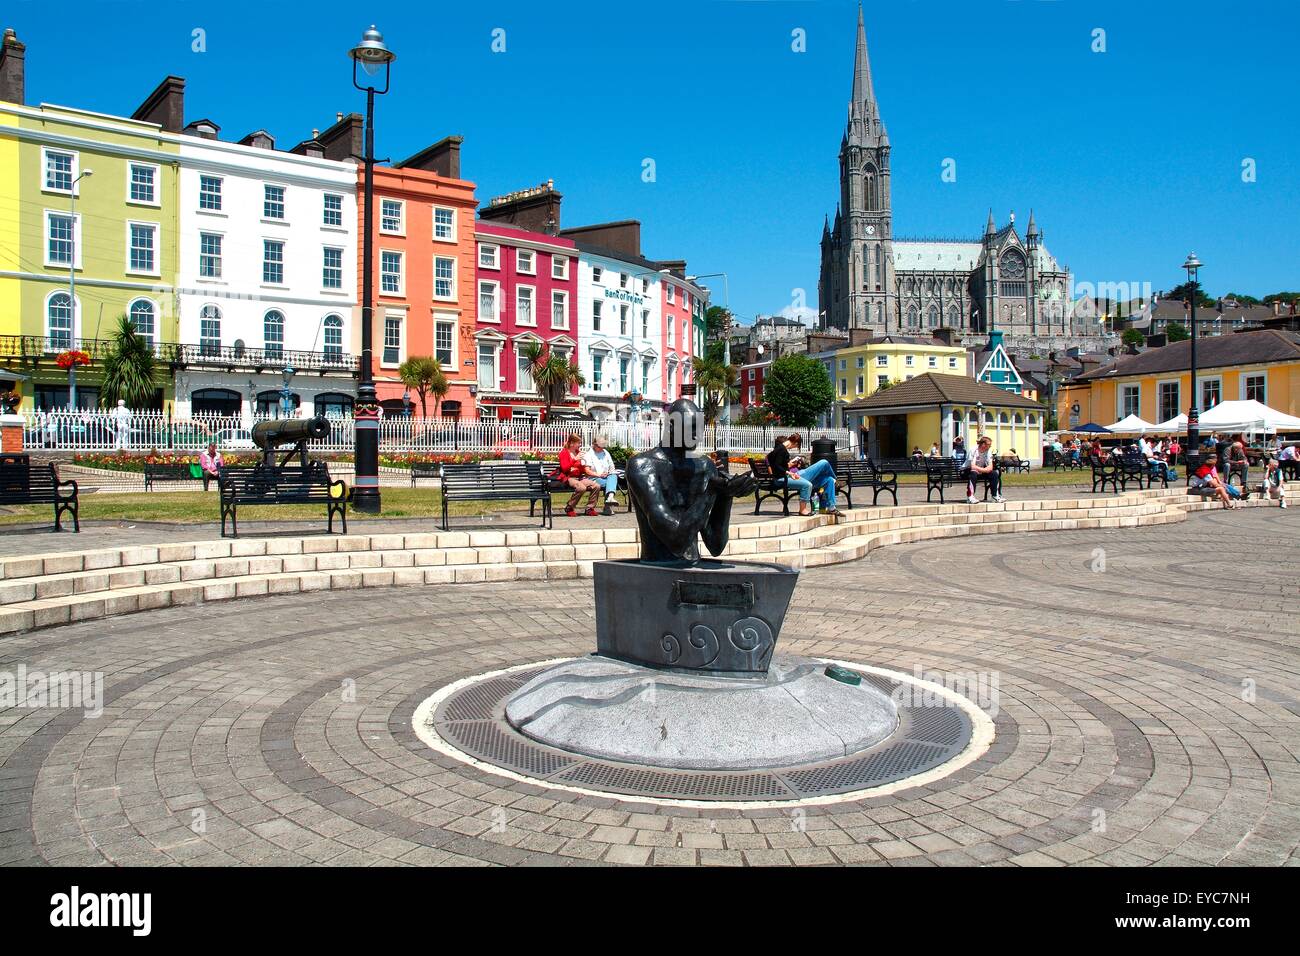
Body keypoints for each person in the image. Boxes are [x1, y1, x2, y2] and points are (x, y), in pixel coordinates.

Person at [767, 434, 839, 517]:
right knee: (823, 462)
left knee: (829, 480)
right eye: (796, 447)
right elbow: (776, 466)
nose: (793, 448)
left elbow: (773, 461)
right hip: (785, 477)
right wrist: (789, 473)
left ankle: (831, 507)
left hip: (794, 474)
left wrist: (790, 465)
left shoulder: (780, 449)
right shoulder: (782, 449)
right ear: (796, 443)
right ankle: (802, 510)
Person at [556, 433, 600, 517]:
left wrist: (584, 463)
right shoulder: (564, 453)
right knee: (581, 487)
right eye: (578, 443)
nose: (580, 445)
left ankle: (589, 508)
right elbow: (565, 468)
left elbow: (581, 468)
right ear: (572, 443)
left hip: (579, 477)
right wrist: (574, 460)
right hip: (568, 477)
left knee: (596, 486)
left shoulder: (578, 452)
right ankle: (570, 507)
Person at [582, 433, 620, 516]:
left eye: (603, 446)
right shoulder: (588, 455)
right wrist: (599, 475)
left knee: (613, 476)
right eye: (600, 446)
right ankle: (608, 505)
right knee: (611, 482)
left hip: (606, 477)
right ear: (594, 445)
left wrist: (608, 472)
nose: (602, 448)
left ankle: (610, 497)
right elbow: (587, 471)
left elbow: (611, 466)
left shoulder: (606, 453)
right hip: (594, 478)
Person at [965, 435, 1004, 503]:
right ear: (983, 444)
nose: (990, 446)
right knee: (973, 473)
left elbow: (990, 467)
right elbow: (972, 466)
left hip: (980, 470)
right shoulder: (973, 450)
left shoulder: (988, 451)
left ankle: (995, 496)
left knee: (994, 473)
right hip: (967, 471)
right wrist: (984, 470)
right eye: (989, 444)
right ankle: (970, 497)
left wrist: (983, 470)